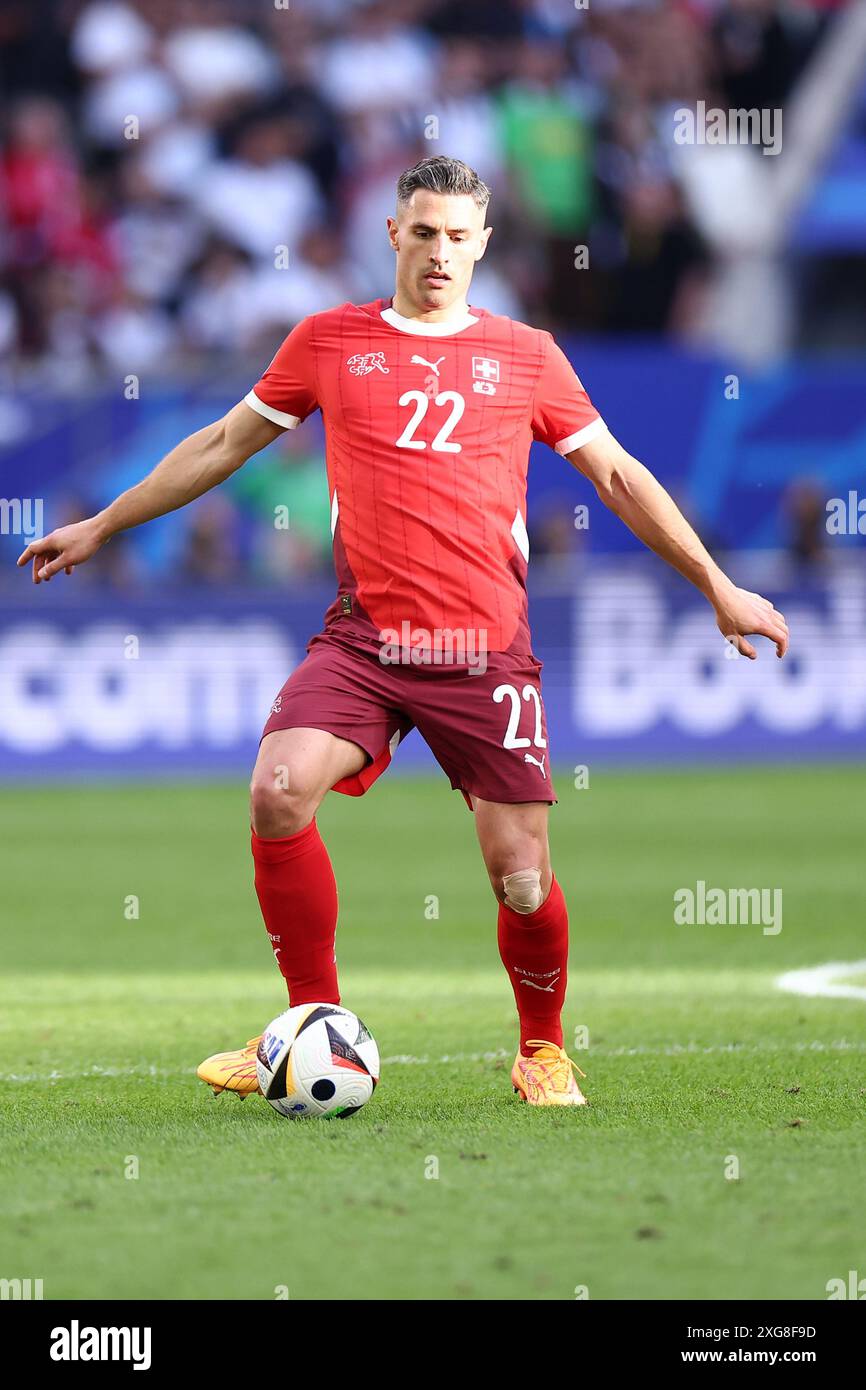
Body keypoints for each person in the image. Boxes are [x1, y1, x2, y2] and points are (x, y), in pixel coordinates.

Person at [18, 156, 789, 1107]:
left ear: (483, 244)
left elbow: (620, 476)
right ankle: (309, 1026)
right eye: (423, 232)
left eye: (459, 236)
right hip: (364, 646)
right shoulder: (331, 342)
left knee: (519, 876)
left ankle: (542, 1049)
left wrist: (718, 584)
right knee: (277, 791)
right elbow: (224, 442)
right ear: (393, 234)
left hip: (484, 651)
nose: (439, 252)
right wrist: (105, 523)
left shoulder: (525, 354)